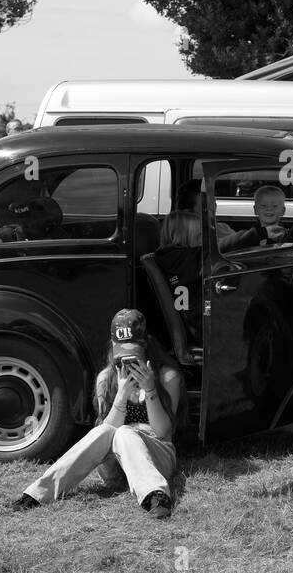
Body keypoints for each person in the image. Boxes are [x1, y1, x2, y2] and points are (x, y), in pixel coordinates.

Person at [13, 310, 181, 518]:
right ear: (113, 348)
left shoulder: (166, 377)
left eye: (133, 353)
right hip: (114, 464)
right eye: (122, 354)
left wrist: (150, 390)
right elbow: (106, 430)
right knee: (108, 431)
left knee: (124, 433)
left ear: (146, 345)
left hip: (156, 457)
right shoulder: (106, 378)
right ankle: (37, 494)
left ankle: (156, 496)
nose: (127, 360)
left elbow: (164, 432)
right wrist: (121, 395)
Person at [151, 209, 203, 340]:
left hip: (192, 319)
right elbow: (224, 246)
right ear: (184, 236)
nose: (203, 240)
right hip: (198, 325)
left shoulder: (169, 258)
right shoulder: (188, 258)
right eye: (199, 236)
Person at [221, 185, 290, 250]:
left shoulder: (289, 236)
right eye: (263, 206)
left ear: (283, 211)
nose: (269, 209)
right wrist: (262, 233)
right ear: (255, 210)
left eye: (274, 206)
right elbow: (223, 246)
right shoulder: (249, 236)